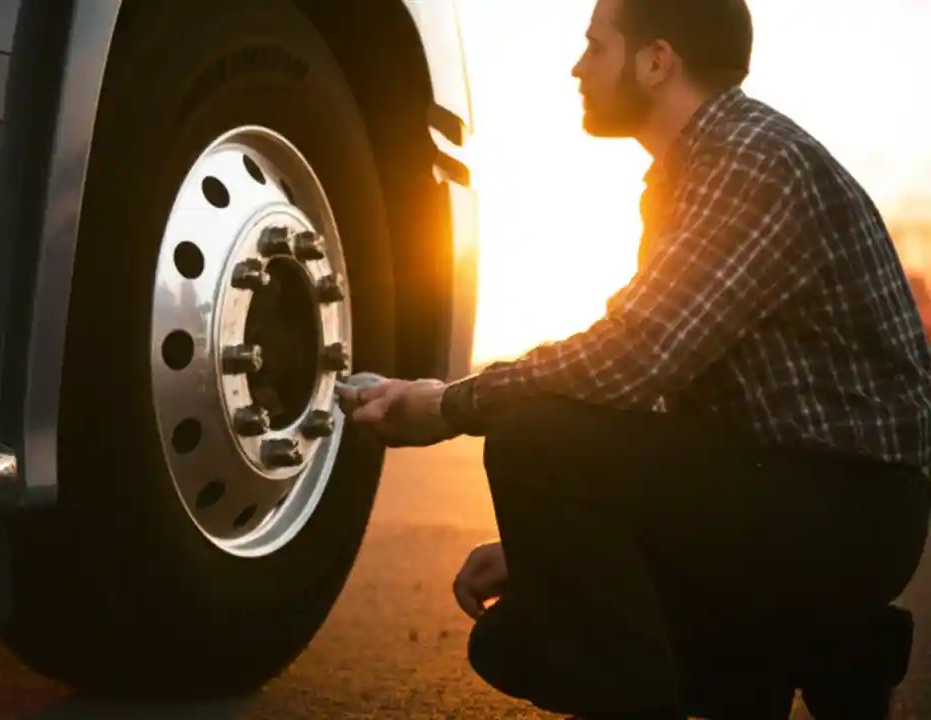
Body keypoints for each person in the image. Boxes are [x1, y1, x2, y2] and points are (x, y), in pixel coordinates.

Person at [337, 0, 931, 718]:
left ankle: (772, 648)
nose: (577, 68)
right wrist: (543, 553)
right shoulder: (689, 175)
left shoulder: (750, 159)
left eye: (595, 47)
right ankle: (820, 648)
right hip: (770, 490)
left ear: (655, 62)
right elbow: (657, 393)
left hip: (846, 505)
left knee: (531, 436)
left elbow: (633, 356)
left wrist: (445, 404)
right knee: (516, 638)